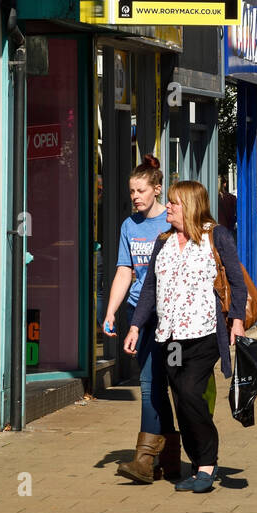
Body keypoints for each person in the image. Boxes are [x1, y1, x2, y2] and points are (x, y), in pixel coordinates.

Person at [124, 180, 246, 494]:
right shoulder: (163, 241)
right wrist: (136, 326)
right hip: (172, 338)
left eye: (174, 203)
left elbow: (237, 280)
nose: (168, 207)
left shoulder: (215, 236)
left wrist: (237, 320)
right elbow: (149, 289)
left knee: (191, 392)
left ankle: (208, 462)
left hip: (204, 335)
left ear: (189, 205)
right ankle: (197, 464)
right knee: (181, 398)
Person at [102, 157, 178, 484]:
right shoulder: (129, 226)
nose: (135, 196)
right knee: (150, 385)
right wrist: (110, 312)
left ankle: (166, 457)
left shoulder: (172, 221)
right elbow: (125, 270)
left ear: (157, 189)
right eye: (131, 190)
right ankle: (148, 461)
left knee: (171, 386)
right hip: (138, 314)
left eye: (141, 190)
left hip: (172, 316)